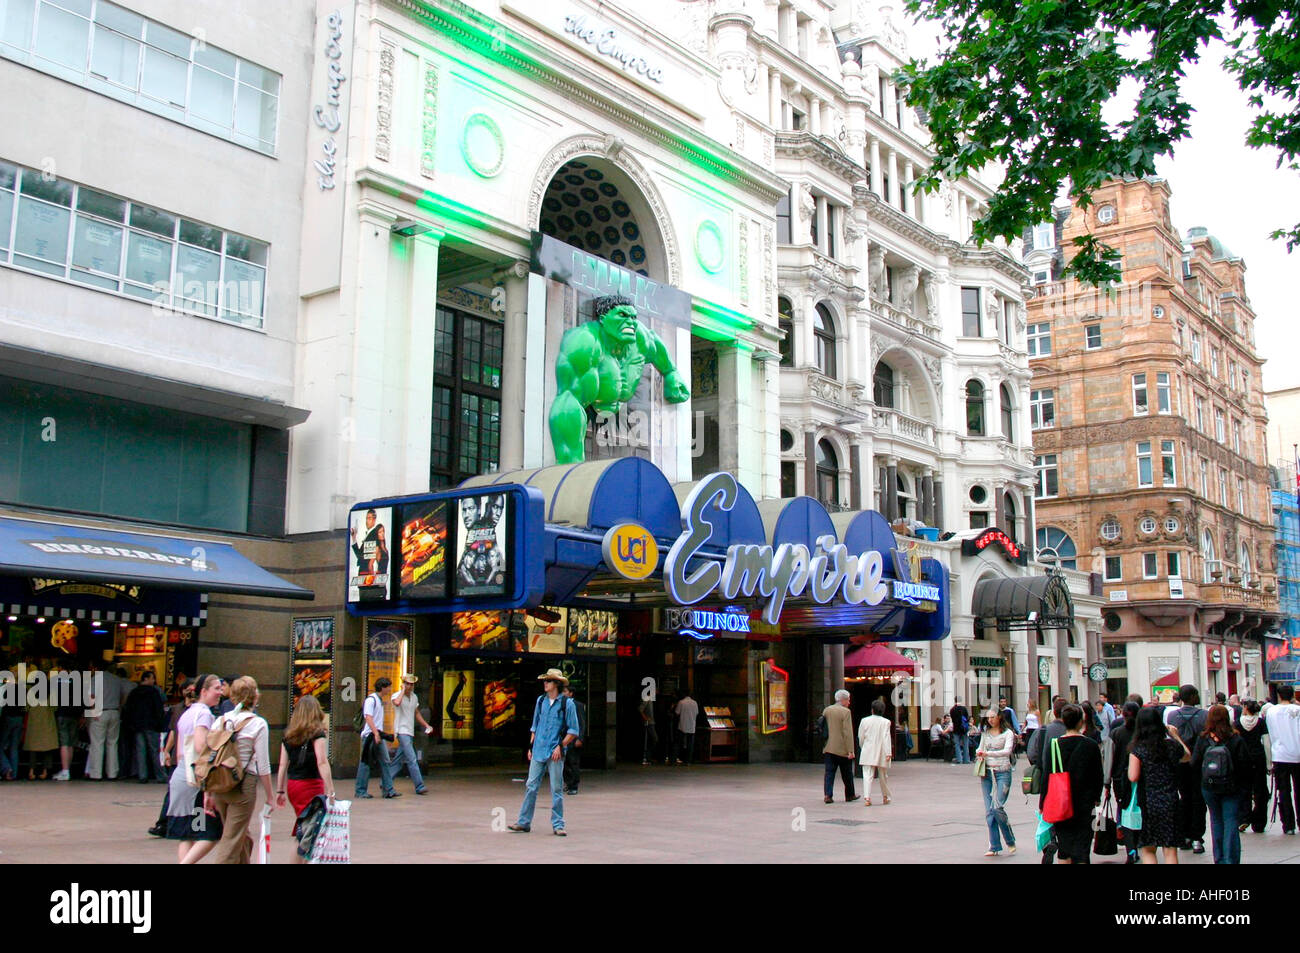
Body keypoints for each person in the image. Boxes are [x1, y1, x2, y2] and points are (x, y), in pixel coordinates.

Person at [207, 676, 274, 864]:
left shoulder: (220, 721)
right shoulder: (258, 723)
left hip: (220, 782)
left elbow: (210, 757)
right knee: (232, 839)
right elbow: (263, 765)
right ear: (255, 697)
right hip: (244, 784)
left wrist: (208, 792)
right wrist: (270, 795)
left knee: (241, 835)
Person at [508, 668, 581, 835]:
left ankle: (558, 824)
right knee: (531, 786)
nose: (545, 683)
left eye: (548, 681)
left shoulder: (567, 704)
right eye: (545, 680)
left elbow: (573, 730)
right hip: (539, 749)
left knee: (556, 788)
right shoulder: (540, 701)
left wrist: (560, 746)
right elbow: (535, 726)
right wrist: (530, 747)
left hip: (555, 752)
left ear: (556, 684)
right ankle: (523, 822)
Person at [166, 674, 223, 864]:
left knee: (186, 834)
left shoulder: (187, 712)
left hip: (180, 776)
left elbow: (181, 751)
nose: (220, 692)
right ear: (203, 691)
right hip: (195, 781)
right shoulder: (204, 713)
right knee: (210, 833)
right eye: (216, 688)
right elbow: (200, 747)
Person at [1039, 704, 1103, 864]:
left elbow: (1046, 776)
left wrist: (1043, 802)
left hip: (1060, 803)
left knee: (1064, 847)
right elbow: (1098, 775)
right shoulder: (1091, 746)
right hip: (1084, 802)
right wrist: (1097, 797)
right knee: (1082, 847)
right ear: (1082, 722)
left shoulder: (1053, 746)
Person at [1129, 706, 1193, 864]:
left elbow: (1133, 776)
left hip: (1148, 802)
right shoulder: (1171, 746)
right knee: (1170, 849)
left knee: (1148, 848)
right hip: (1170, 800)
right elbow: (1187, 757)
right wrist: (1175, 736)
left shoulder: (1138, 749)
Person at [276, 694, 335, 864]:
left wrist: (280, 790)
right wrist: (330, 789)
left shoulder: (289, 735)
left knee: (304, 828)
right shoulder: (317, 733)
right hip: (311, 785)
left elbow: (282, 765)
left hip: (294, 785)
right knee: (309, 831)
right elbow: (322, 762)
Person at [1190, 704, 1251, 864]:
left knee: (1216, 820)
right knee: (1230, 820)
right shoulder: (1235, 738)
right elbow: (1245, 764)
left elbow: (1194, 763)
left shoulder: (1203, 739)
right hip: (1231, 786)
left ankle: (1219, 858)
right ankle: (1230, 859)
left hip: (1209, 787)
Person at [149, 678, 196, 837]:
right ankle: (163, 824)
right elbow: (173, 732)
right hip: (179, 757)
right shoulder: (177, 709)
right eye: (188, 689)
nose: (191, 692)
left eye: (193, 689)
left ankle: (190, 825)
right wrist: (167, 751)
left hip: (193, 758)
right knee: (172, 792)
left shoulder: (201, 710)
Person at [1166, 684, 1209, 853]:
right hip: (1198, 763)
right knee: (1198, 799)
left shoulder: (1172, 716)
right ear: (1192, 696)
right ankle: (1197, 836)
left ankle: (1184, 835)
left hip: (1179, 762)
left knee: (1183, 797)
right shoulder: (1204, 715)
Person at [977, 707, 1017, 856]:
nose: (990, 720)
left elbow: (1007, 751)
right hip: (987, 772)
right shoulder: (985, 734)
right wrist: (979, 753)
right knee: (989, 811)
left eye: (993, 717)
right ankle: (994, 845)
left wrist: (988, 753)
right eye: (988, 718)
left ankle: (1009, 839)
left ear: (1000, 717)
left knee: (997, 807)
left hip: (1002, 772)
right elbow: (979, 748)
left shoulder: (1008, 734)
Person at [1263, 683, 1300, 835]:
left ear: (1278, 695)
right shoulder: (1297, 710)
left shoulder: (1271, 712)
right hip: (1297, 753)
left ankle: (1288, 824)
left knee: (1283, 790)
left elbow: (1269, 734)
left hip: (1279, 754)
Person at [390, 674, 434, 796]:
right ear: (403, 684)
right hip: (401, 730)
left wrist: (426, 725)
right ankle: (419, 785)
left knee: (398, 761)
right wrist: (403, 691)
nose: (410, 686)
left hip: (409, 731)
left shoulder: (414, 697)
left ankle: (386, 782)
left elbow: (416, 713)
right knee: (412, 759)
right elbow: (397, 703)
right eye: (407, 683)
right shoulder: (396, 695)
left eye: (411, 684)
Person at [1108, 701, 1141, 863]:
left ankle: (1131, 849)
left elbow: (1109, 759)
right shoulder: (1142, 733)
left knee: (1124, 810)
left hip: (1120, 778)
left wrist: (1106, 782)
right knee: (1140, 810)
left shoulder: (1116, 733)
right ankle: (1138, 841)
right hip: (1141, 777)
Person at [355, 677, 398, 799]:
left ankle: (388, 789)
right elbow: (368, 717)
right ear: (382, 687)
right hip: (371, 736)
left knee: (385, 761)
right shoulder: (371, 700)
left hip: (377, 735)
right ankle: (360, 790)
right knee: (365, 763)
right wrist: (376, 733)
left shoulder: (379, 700)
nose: (389, 689)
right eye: (388, 687)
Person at [123, 671, 167, 783]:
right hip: (152, 725)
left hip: (137, 726)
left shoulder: (134, 692)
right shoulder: (154, 692)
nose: (154, 681)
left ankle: (142, 775)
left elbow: (128, 709)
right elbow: (159, 710)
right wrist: (160, 724)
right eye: (152, 678)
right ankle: (160, 775)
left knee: (140, 751)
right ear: (146, 678)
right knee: (155, 751)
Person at [84, 659, 125, 780]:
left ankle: (96, 773)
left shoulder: (95, 679)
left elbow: (91, 696)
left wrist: (93, 710)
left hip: (100, 712)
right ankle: (112, 773)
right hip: (114, 712)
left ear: (96, 668)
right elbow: (122, 696)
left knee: (97, 743)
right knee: (112, 743)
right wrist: (119, 709)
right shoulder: (116, 680)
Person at [1235, 698, 1270, 834]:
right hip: (1258, 757)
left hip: (1242, 759)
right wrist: (1269, 763)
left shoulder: (1237, 724)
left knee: (1243, 789)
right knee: (1260, 790)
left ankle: (1243, 818)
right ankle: (1259, 822)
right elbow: (1266, 742)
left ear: (1245, 708)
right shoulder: (1261, 723)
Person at [820, 689, 858, 804]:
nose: (849, 702)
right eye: (848, 700)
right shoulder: (846, 712)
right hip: (842, 749)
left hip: (829, 747)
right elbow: (847, 732)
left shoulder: (827, 710)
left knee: (829, 772)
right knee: (847, 773)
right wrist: (850, 750)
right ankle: (850, 794)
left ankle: (828, 795)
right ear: (843, 700)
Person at [23, 665, 58, 780]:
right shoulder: (50, 694)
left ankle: (31, 772)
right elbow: (55, 708)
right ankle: (45, 772)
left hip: (34, 726)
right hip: (47, 725)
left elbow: (25, 708)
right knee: (47, 750)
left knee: (33, 750)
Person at [858, 698, 892, 806]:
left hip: (868, 749)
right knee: (883, 775)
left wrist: (863, 746)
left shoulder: (864, 720)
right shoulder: (886, 722)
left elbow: (861, 737)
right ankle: (885, 797)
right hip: (882, 750)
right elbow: (886, 737)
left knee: (867, 774)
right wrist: (888, 753)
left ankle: (867, 797)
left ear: (872, 710)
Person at [51, 662, 80, 782]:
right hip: (74, 715)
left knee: (64, 743)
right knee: (71, 744)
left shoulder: (58, 681)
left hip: (63, 713)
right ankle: (67, 769)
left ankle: (65, 771)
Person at [1028, 696, 1068, 767]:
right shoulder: (1072, 731)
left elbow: (1031, 754)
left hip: (1047, 772)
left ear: (1054, 713)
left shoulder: (1042, 731)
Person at [0, 660, 23, 780]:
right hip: (19, 718)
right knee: (14, 747)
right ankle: (14, 773)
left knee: (1, 746)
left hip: (8, 718)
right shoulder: (22, 687)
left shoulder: (6, 687)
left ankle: (6, 768)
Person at [562, 685, 587, 795]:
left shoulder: (578, 705)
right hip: (563, 738)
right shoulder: (561, 704)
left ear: (571, 693)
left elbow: (581, 723)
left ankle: (574, 785)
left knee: (573, 762)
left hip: (573, 738)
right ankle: (568, 782)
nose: (563, 693)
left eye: (565, 691)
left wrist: (579, 738)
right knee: (564, 763)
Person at [674, 688, 699, 765]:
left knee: (678, 743)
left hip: (682, 726)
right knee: (690, 744)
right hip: (691, 726)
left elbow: (677, 713)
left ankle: (675, 758)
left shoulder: (681, 702)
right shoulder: (695, 703)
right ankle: (688, 761)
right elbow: (697, 713)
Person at [949, 697, 971, 765]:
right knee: (965, 744)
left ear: (954, 701)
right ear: (961, 700)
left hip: (956, 729)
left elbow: (952, 719)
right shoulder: (964, 709)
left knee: (957, 744)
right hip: (964, 729)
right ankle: (966, 759)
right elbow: (967, 718)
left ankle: (959, 759)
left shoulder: (952, 709)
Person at [638, 693, 658, 765]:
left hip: (651, 722)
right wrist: (645, 718)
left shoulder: (651, 700)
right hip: (649, 723)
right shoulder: (647, 698)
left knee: (650, 739)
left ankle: (648, 757)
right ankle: (646, 757)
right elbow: (640, 709)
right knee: (654, 738)